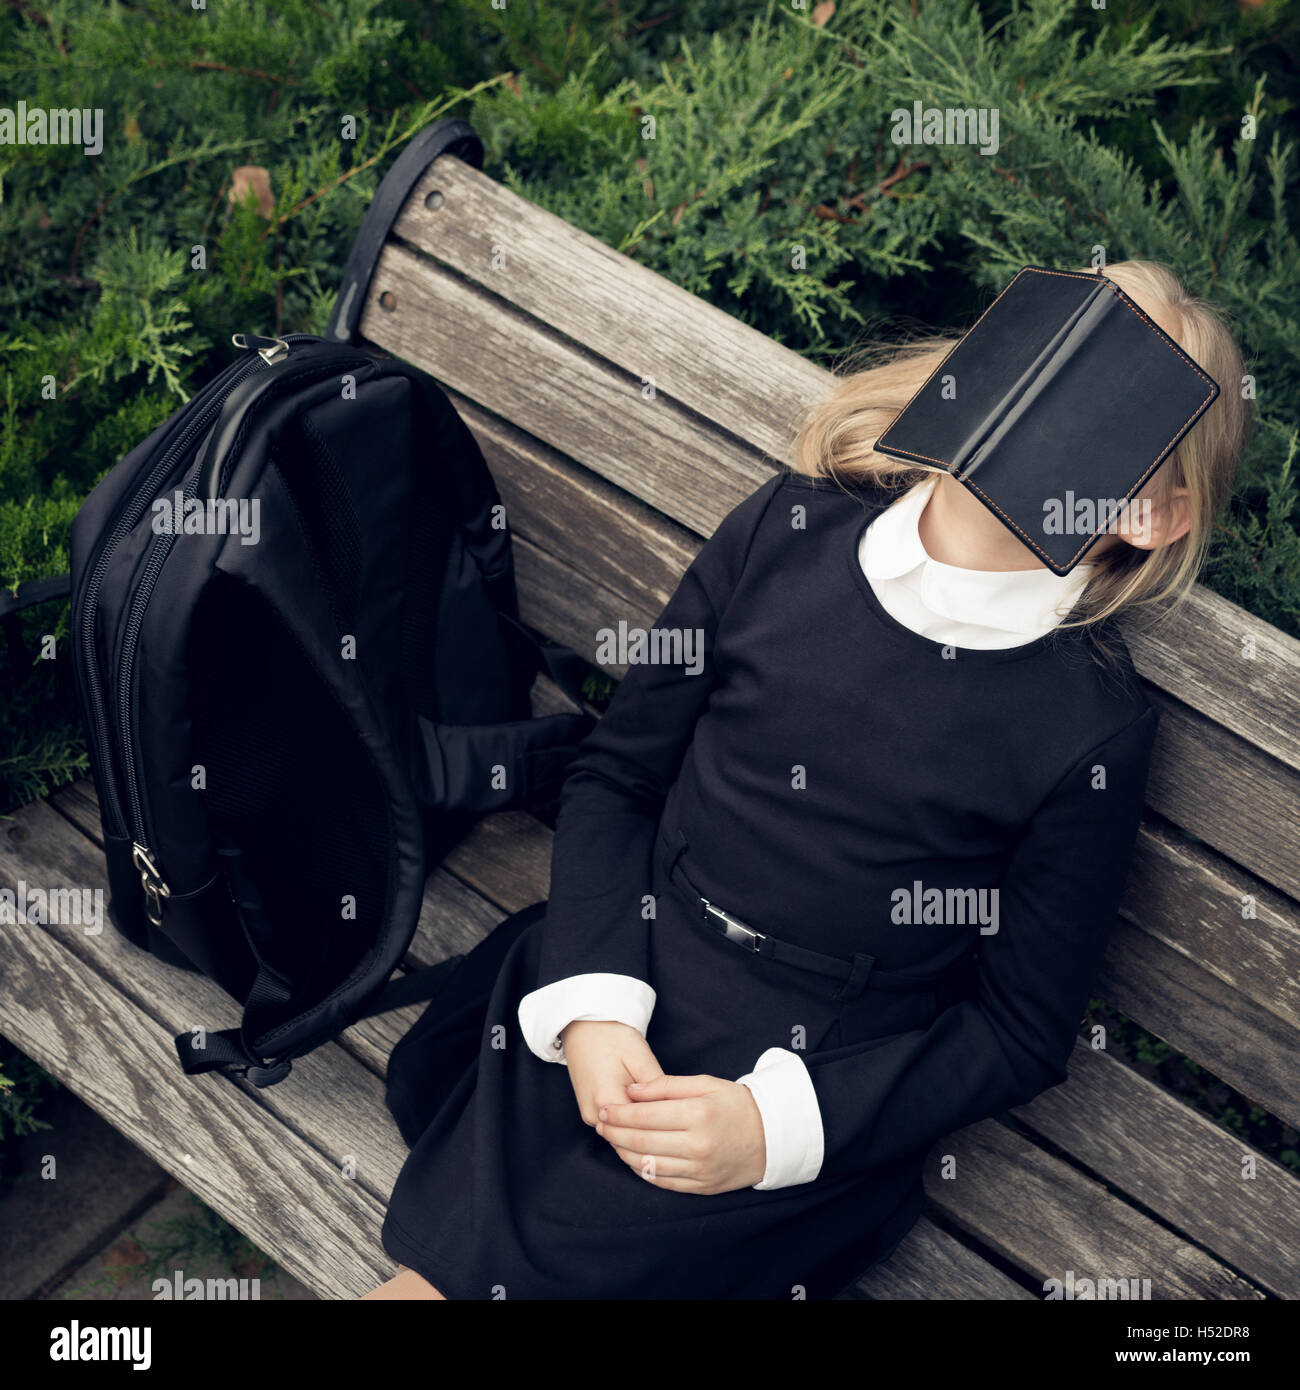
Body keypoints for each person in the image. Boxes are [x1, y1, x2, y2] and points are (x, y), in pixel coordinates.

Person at [363, 260, 1250, 1300]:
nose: (1041, 390)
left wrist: (771, 1127)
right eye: (1047, 337)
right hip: (619, 966)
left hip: (800, 1089)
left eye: (1103, 386)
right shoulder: (789, 533)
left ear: (1148, 515)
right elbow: (616, 775)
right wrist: (598, 1005)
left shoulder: (1083, 726)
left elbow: (1016, 1028)